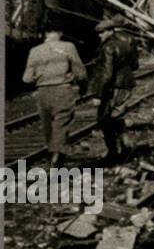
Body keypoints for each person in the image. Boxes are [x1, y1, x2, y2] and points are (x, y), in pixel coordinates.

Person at [22, 28, 87, 167]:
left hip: (43, 92)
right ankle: (57, 156)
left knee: (47, 126)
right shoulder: (69, 47)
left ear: (45, 34)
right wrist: (83, 86)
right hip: (63, 90)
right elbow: (80, 72)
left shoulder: (35, 51)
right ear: (60, 33)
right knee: (61, 124)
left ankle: (51, 152)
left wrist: (40, 77)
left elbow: (26, 78)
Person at [89, 16, 138, 162]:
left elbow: (107, 74)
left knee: (105, 120)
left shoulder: (108, 47)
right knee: (117, 117)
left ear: (110, 31)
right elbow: (135, 65)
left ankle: (113, 152)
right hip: (126, 84)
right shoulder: (125, 44)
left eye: (102, 32)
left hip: (114, 87)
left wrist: (98, 95)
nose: (99, 35)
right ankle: (125, 147)